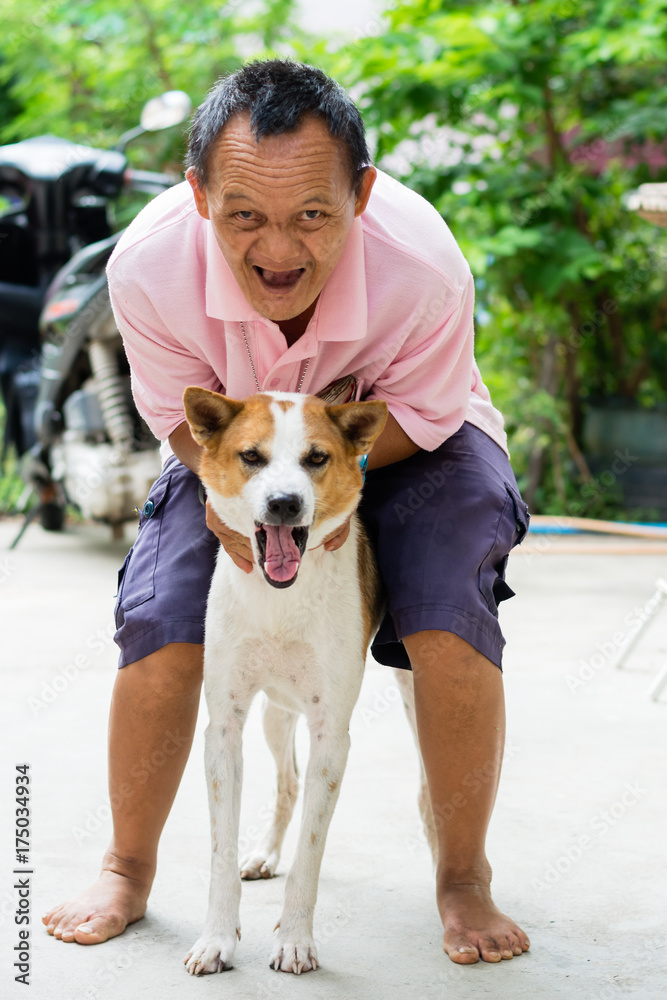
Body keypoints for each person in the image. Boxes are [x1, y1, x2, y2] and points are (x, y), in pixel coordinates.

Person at [42, 59, 531, 966]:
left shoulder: (423, 267)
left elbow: (425, 414)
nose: (277, 247)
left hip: (412, 437)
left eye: (312, 214)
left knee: (444, 610)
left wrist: (320, 491)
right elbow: (177, 417)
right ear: (198, 195)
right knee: (162, 615)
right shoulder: (146, 266)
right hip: (237, 460)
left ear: (361, 194)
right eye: (244, 216)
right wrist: (241, 497)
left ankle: (463, 877)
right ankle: (125, 865)